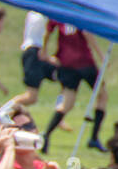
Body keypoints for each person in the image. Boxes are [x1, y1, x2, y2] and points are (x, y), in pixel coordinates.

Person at [42, 20, 108, 153]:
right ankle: (94, 138)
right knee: (102, 95)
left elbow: (47, 32)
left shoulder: (57, 14)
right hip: (84, 62)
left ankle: (46, 134)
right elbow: (87, 32)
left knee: (67, 102)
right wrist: (101, 55)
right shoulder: (78, 12)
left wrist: (44, 52)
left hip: (66, 62)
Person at [15, 10, 56, 108]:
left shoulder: (31, 13)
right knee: (31, 97)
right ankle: (2, 112)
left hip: (34, 52)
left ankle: (60, 115)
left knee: (65, 76)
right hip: (33, 53)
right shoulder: (40, 14)